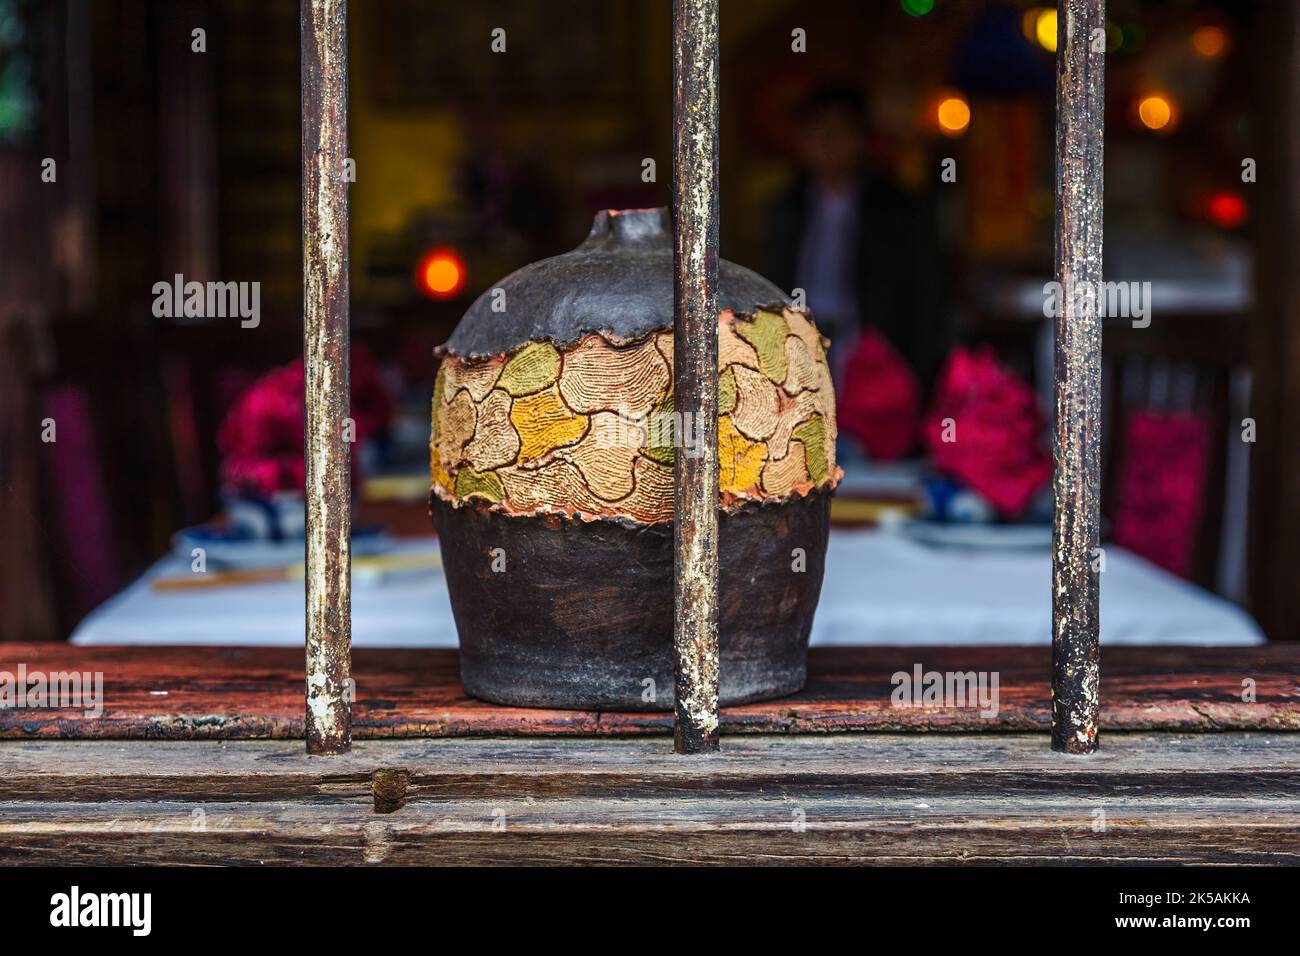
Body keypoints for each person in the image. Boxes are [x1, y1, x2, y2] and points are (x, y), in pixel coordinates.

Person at [764, 84, 948, 393]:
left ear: (862, 139)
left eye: (839, 131)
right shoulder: (787, 209)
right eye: (817, 131)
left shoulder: (895, 210)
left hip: (869, 349)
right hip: (798, 344)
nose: (828, 142)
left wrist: (914, 369)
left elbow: (925, 295)